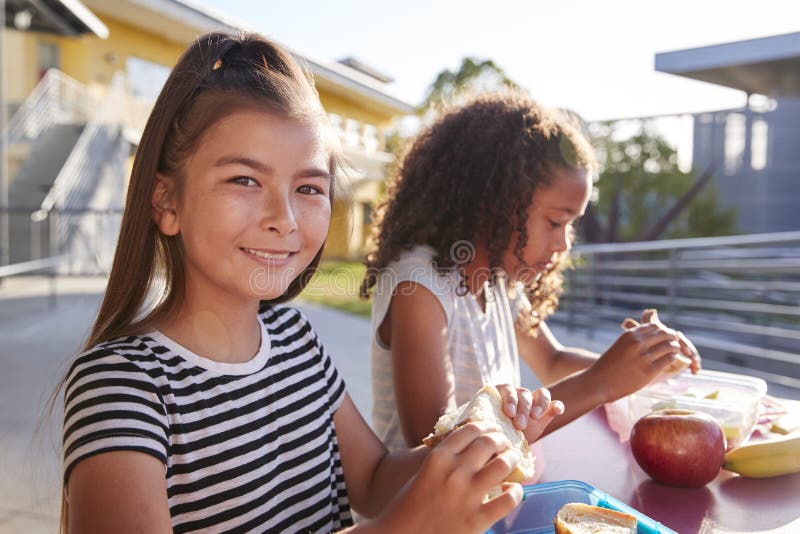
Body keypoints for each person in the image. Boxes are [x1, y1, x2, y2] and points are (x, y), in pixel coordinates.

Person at [57, 33, 565, 534]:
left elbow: (373, 478)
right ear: (166, 202)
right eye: (245, 180)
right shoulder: (120, 387)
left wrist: (473, 446)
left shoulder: (294, 337)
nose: (285, 218)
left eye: (308, 188)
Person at [361, 93, 701, 451]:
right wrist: (601, 382)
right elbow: (437, 442)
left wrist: (642, 366)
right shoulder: (421, 286)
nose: (565, 244)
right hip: (422, 505)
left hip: (490, 495)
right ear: (493, 201)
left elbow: (553, 361)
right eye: (555, 222)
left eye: (571, 225)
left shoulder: (496, 281)